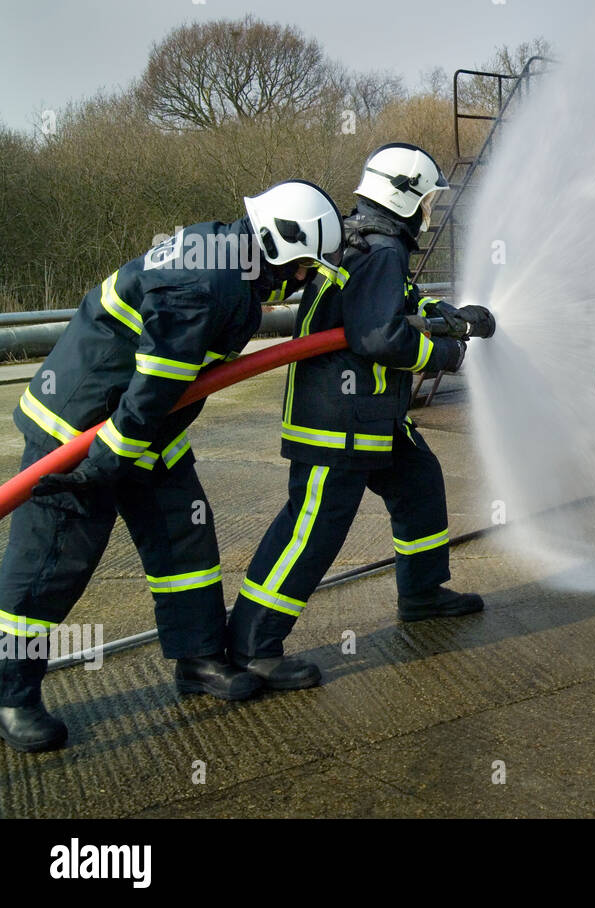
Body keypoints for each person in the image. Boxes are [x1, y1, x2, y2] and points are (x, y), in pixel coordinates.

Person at [0, 181, 343, 752]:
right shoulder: (203, 285)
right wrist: (101, 465)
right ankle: (10, 693)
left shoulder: (228, 260)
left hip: (140, 427)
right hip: (81, 429)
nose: (304, 279)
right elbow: (153, 387)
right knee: (52, 564)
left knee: (183, 533)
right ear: (280, 245)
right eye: (306, 265)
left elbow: (157, 396)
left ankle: (198, 657)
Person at [226, 143, 494, 692]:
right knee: (312, 530)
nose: (429, 211)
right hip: (339, 420)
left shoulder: (360, 238)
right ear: (407, 197)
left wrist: (447, 317)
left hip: (371, 413)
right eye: (426, 200)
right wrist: (444, 354)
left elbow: (384, 310)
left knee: (420, 483)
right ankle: (252, 645)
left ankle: (421, 593)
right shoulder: (381, 251)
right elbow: (378, 336)